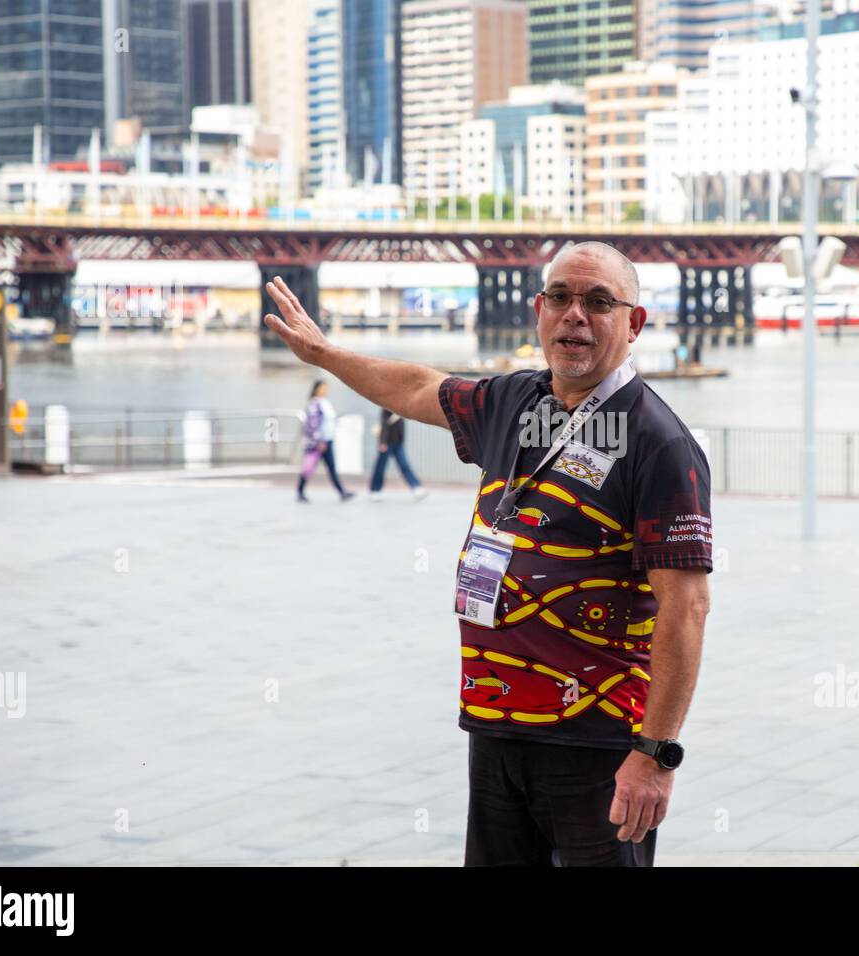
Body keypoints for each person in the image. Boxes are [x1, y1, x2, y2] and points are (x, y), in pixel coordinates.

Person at [264, 241, 712, 866]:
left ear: (633, 324)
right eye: (559, 297)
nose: (574, 315)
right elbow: (418, 387)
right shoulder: (514, 402)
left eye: (598, 302)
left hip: (597, 742)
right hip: (496, 725)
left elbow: (686, 609)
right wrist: (325, 355)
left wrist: (656, 752)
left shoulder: (657, 441)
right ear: (538, 311)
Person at [297, 380, 354, 503]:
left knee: (331, 468)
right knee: (309, 467)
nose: (326, 390)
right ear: (316, 389)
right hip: (319, 443)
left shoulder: (325, 403)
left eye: (326, 388)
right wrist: (319, 441)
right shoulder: (314, 404)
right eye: (323, 388)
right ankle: (300, 491)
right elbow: (313, 425)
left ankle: (342, 492)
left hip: (327, 440)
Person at [368, 407, 428, 502]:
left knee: (404, 465)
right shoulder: (387, 406)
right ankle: (375, 490)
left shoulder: (400, 407)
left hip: (397, 443)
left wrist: (402, 440)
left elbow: (400, 425)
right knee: (380, 468)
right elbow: (384, 423)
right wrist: (382, 442)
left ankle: (416, 487)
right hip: (386, 443)